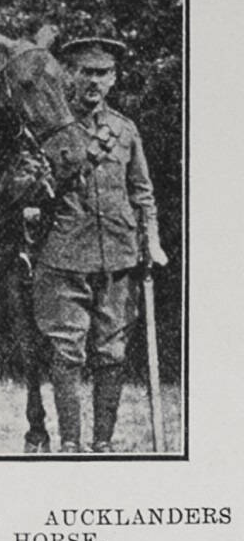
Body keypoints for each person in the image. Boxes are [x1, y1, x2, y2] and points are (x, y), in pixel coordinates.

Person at [34, 36, 168, 453]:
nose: (93, 81)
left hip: (118, 255)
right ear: (69, 76)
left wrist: (153, 241)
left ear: (113, 79)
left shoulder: (125, 130)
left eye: (102, 73)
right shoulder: (51, 129)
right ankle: (71, 442)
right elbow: (30, 190)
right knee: (67, 350)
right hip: (64, 257)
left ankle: (103, 443)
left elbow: (142, 191)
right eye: (84, 72)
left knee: (112, 351)